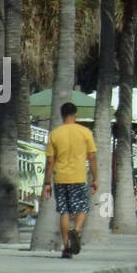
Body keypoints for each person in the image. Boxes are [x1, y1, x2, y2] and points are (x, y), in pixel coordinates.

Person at [43, 101, 98, 259]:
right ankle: (76, 230)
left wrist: (47, 182)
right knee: (83, 208)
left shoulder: (55, 134)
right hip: (79, 177)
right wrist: (95, 178)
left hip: (60, 177)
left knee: (64, 211)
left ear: (61, 115)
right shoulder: (85, 132)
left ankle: (66, 247)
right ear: (76, 114)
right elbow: (92, 157)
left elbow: (50, 160)